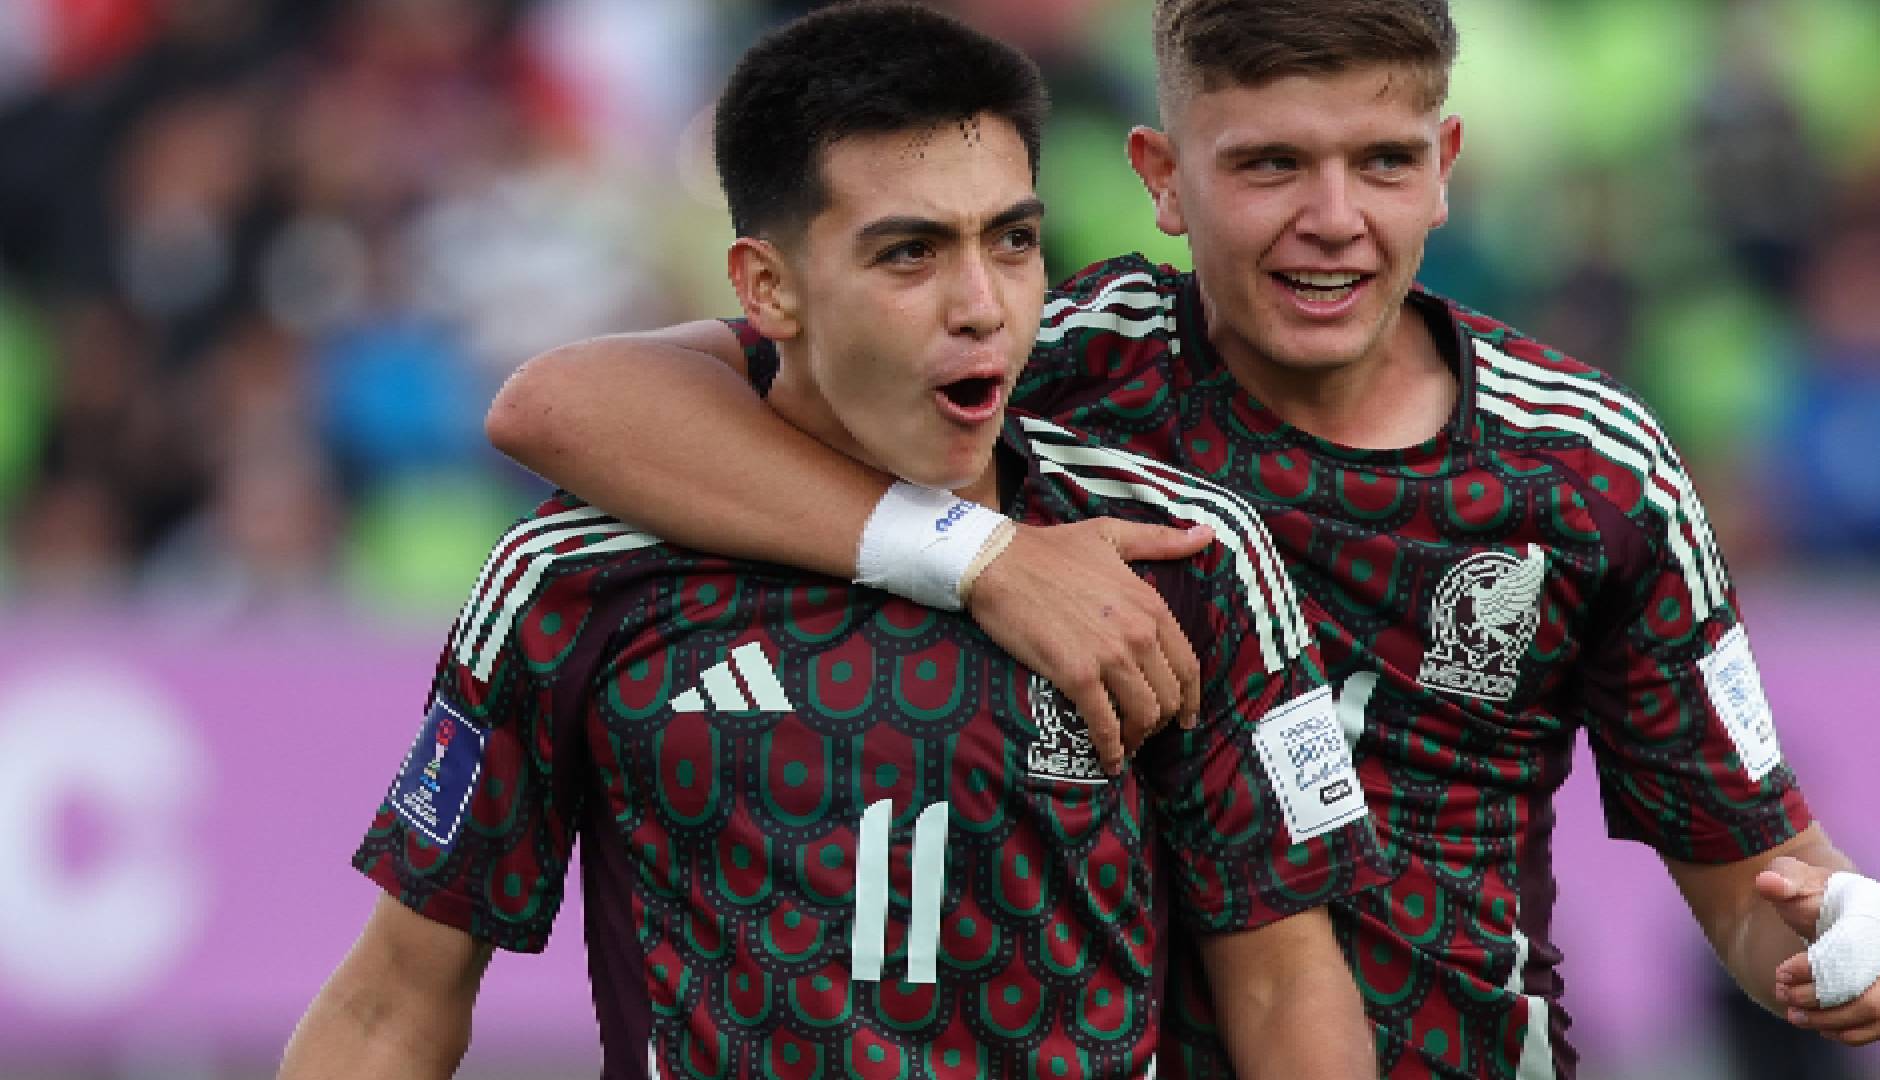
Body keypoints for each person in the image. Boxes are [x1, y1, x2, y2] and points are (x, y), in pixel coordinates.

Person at [483, 0, 1880, 1077]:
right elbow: (568, 404)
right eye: (1271, 164)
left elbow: (1758, 875)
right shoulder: (1052, 360)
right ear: (1164, 176)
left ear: (1447, 165)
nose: (1334, 220)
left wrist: (1827, 944)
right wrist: (970, 552)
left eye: (1381, 160)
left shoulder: (1592, 474)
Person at [279, 5, 1388, 1078]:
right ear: (769, 289)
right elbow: (394, 1001)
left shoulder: (1181, 555)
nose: (981, 304)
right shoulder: (581, 579)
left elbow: (1285, 988)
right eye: (909, 254)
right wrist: (979, 554)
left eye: (1011, 241)